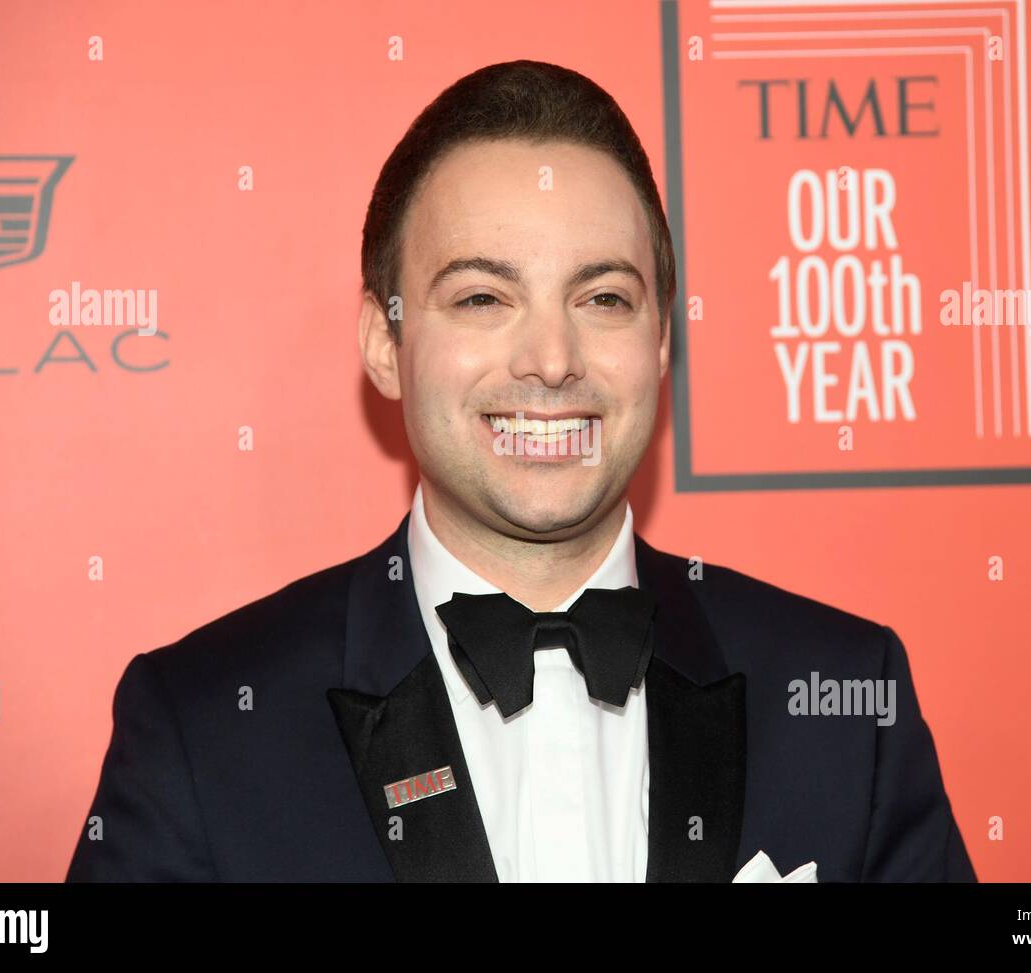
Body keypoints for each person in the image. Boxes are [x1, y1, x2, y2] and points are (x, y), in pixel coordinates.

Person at [66, 59, 976, 883]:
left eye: (605, 297)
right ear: (386, 342)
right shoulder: (204, 720)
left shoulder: (847, 701)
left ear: (660, 340)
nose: (551, 357)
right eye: (483, 297)